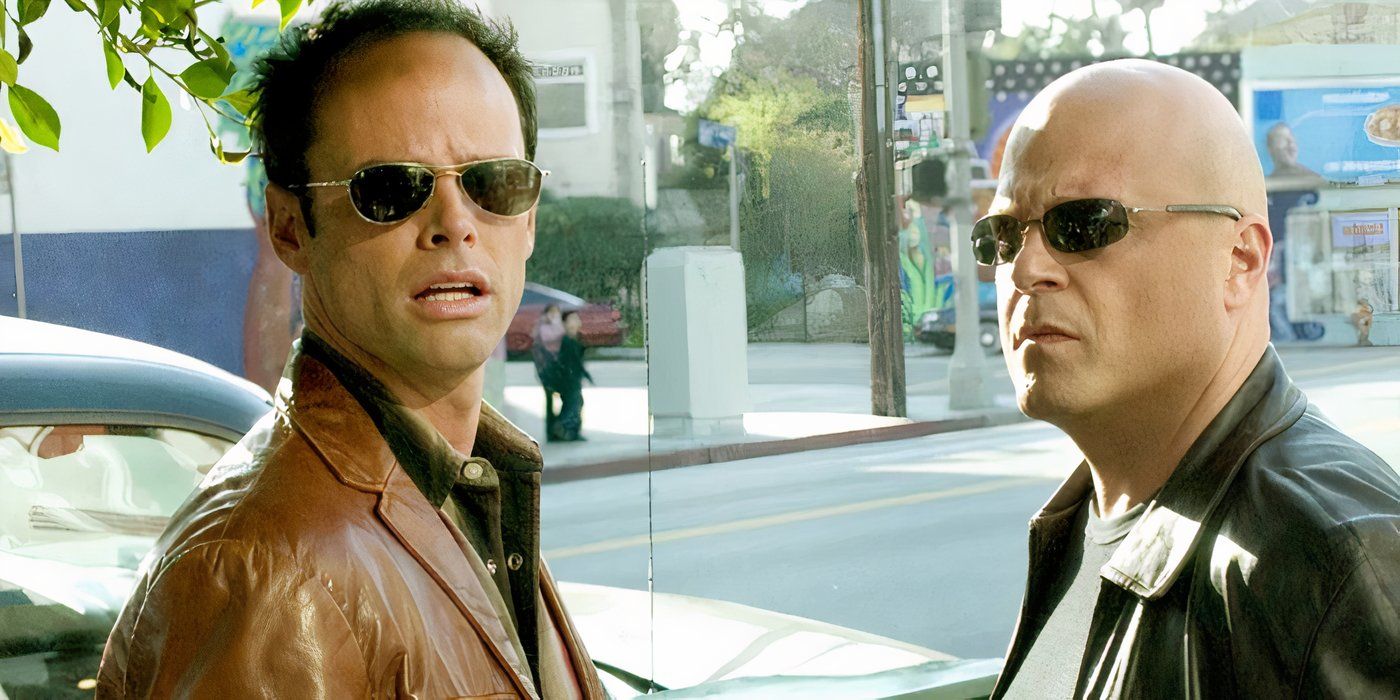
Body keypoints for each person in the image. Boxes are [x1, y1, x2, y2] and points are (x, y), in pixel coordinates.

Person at [97, 2, 604, 697]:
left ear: (530, 220)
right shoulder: (268, 571)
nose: (455, 223)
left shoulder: (475, 481)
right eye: (391, 189)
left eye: (493, 182)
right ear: (289, 228)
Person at [971, 59, 1400, 698]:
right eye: (1002, 236)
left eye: (1084, 224)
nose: (1027, 268)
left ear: (1239, 260)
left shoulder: (1330, 560)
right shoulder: (1084, 521)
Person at [550, 310, 593, 441]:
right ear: (564, 323)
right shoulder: (566, 341)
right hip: (569, 381)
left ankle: (567, 431)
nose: (577, 322)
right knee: (573, 404)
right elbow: (570, 363)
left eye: (577, 319)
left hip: (572, 380)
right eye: (572, 319)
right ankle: (564, 429)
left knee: (574, 403)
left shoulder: (571, 340)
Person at [532, 303, 565, 439]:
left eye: (556, 312)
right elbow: (550, 338)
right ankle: (550, 430)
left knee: (562, 399)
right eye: (551, 312)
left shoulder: (559, 325)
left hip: (559, 369)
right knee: (550, 400)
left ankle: (559, 428)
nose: (554, 315)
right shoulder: (542, 327)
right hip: (546, 370)